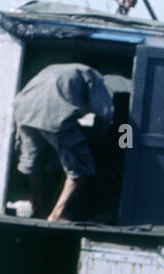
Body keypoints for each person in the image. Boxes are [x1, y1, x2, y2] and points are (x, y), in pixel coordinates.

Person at [12, 63, 114, 222]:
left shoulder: (54, 68)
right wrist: (102, 137)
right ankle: (56, 215)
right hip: (55, 112)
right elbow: (104, 113)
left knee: (31, 161)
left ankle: (36, 206)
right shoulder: (95, 77)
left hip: (23, 109)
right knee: (80, 169)